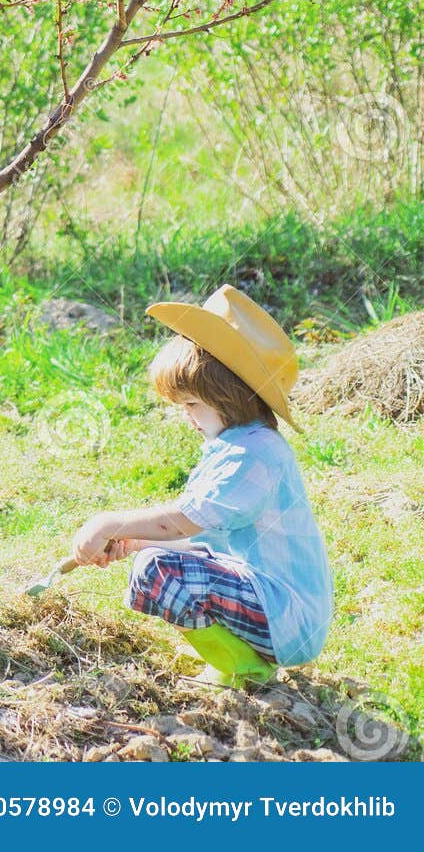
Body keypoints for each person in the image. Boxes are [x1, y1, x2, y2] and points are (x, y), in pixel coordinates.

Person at [70, 285, 333, 687]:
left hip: (288, 616)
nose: (187, 416)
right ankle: (236, 656)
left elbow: (181, 524)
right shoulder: (239, 445)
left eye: (192, 404)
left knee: (160, 571)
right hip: (273, 606)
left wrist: (111, 524)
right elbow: (207, 538)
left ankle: (243, 666)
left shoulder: (252, 454)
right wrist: (134, 542)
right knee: (153, 560)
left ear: (231, 395)